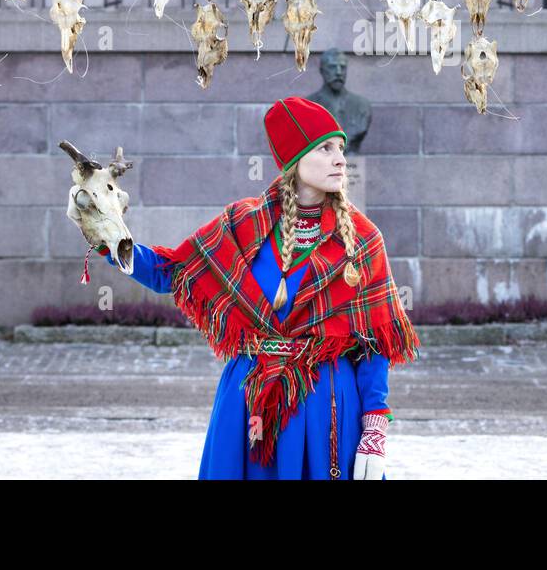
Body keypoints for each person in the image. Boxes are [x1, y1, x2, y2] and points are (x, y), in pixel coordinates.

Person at [91, 96, 420, 479]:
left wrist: (375, 430)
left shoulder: (362, 240)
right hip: (246, 406)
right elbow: (172, 271)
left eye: (342, 149)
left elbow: (376, 344)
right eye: (326, 148)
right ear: (295, 160)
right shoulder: (241, 223)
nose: (340, 159)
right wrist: (108, 238)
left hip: (327, 408)